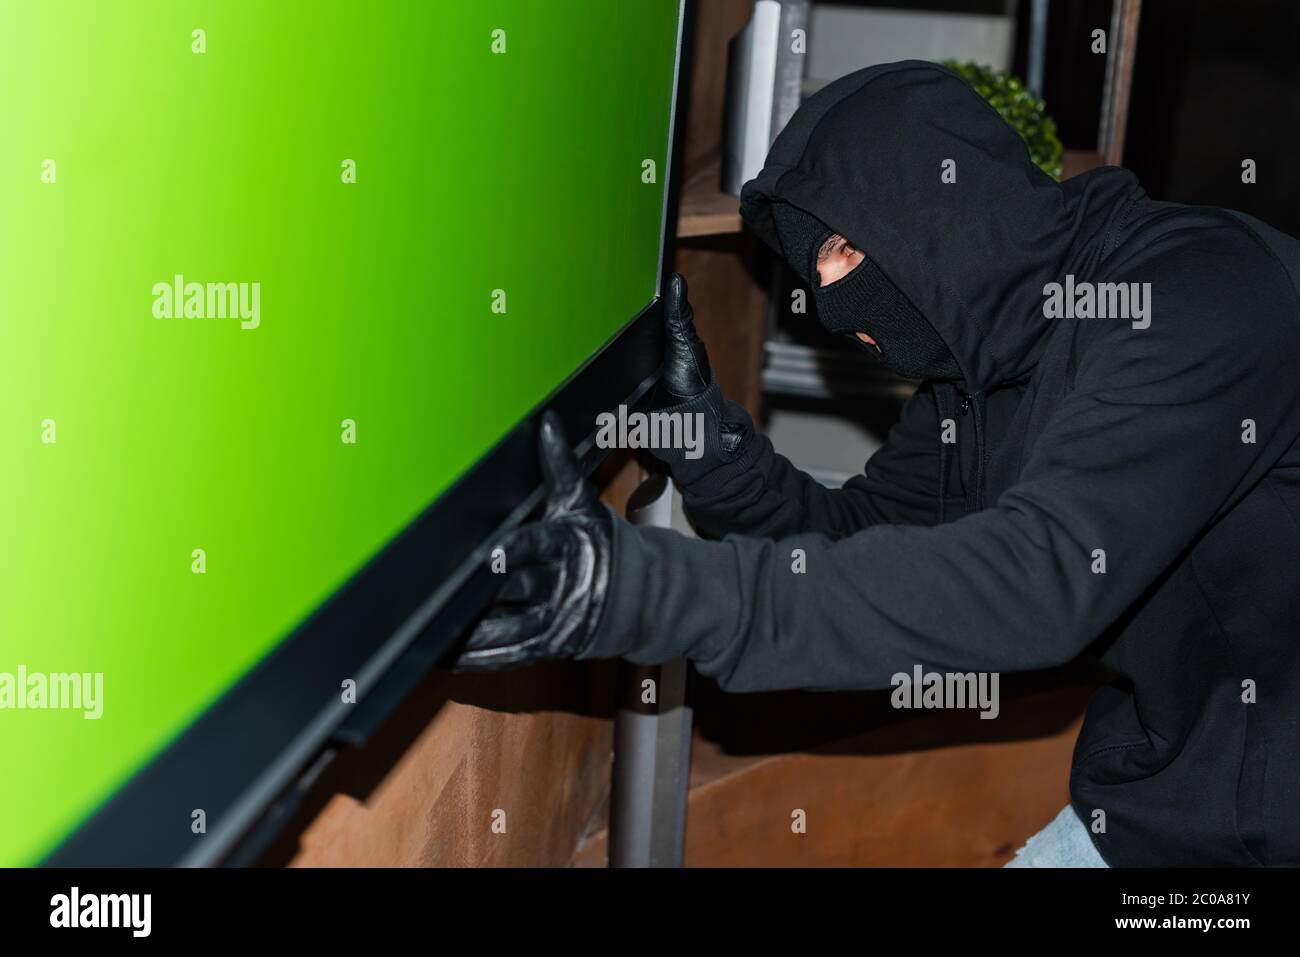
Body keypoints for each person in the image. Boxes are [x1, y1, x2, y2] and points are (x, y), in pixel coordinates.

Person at [453, 60, 1300, 867]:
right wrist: (697, 435)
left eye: (845, 252)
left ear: (943, 197)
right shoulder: (973, 384)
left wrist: (633, 592)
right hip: (1184, 794)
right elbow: (844, 536)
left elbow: (1039, 582)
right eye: (812, 270)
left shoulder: (1200, 295)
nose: (829, 305)